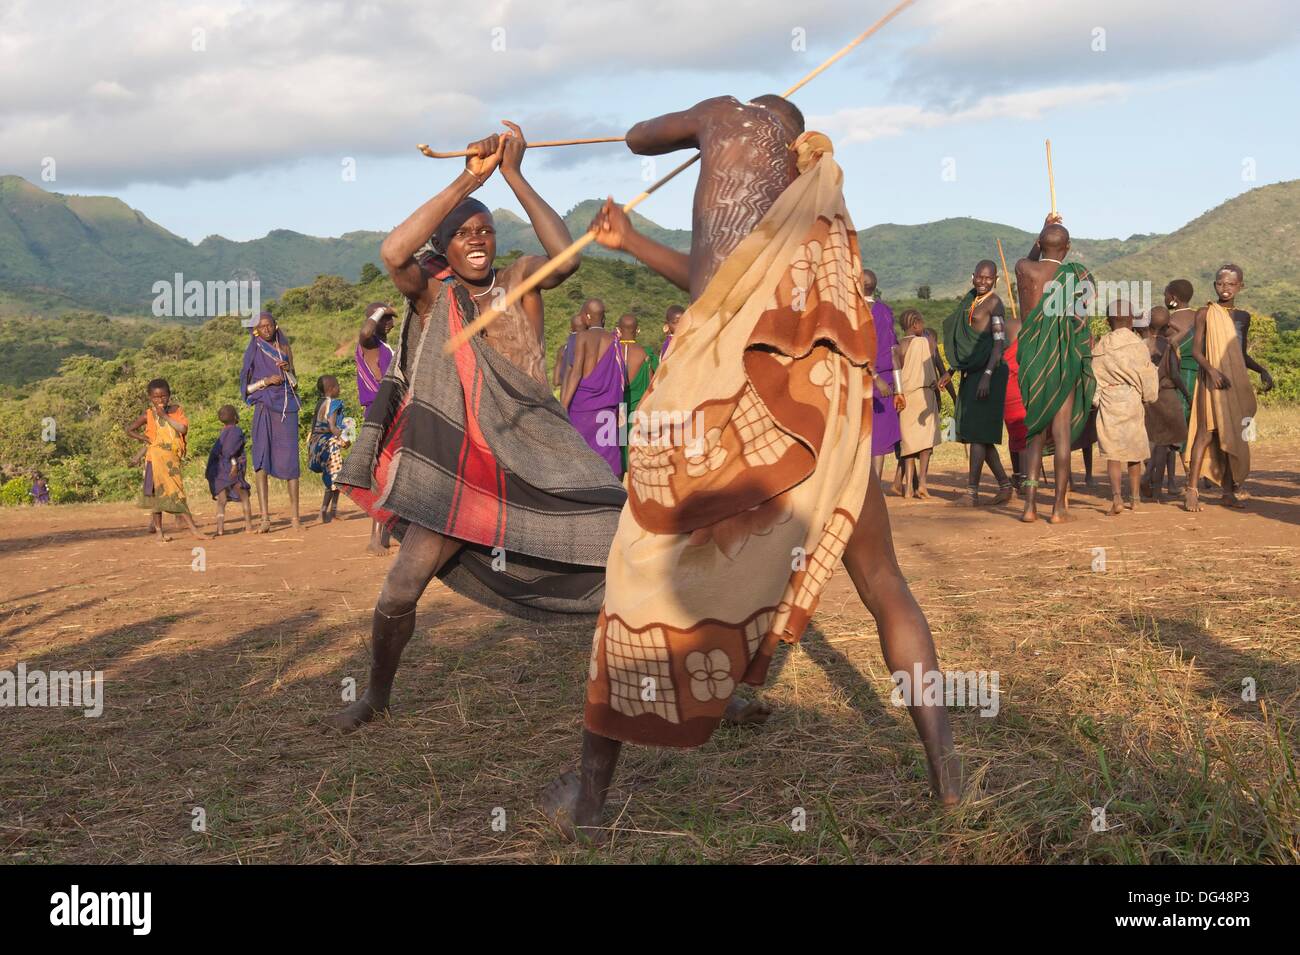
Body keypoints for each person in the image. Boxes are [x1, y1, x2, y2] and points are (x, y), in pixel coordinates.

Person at [541, 95, 960, 841]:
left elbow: (640, 137)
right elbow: (716, 287)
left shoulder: (728, 119)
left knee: (634, 579)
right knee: (884, 582)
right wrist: (631, 241)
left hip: (729, 412)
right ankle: (948, 775)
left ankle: (591, 799)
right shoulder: (806, 217)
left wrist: (694, 140)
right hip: (819, 424)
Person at [325, 121, 625, 734]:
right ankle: (377, 696)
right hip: (465, 470)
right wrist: (470, 176)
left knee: (630, 556)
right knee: (401, 589)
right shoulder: (432, 296)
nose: (478, 241)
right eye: (463, 234)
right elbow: (392, 253)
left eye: (485, 229)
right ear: (445, 247)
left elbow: (564, 254)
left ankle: (707, 687)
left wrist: (513, 174)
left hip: (541, 455)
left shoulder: (518, 282)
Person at [1014, 215, 1095, 523]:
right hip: (1064, 358)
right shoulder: (1079, 276)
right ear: (1069, 248)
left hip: (1033, 360)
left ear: (1038, 244)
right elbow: (1081, 323)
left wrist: (1042, 228)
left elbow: (1028, 258)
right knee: (1062, 436)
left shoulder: (1026, 270)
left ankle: (1030, 505)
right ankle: (1059, 507)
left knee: (1035, 432)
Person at [1183, 265, 1270, 511]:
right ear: (1214, 285)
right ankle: (1192, 490)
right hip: (1211, 381)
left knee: (1233, 433)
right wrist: (1212, 371)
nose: (1225, 288)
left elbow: (1241, 355)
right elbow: (1196, 351)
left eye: (1231, 284)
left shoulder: (1243, 318)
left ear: (1241, 286)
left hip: (1236, 382)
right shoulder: (1205, 313)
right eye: (1221, 283)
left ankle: (1228, 492)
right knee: (1205, 432)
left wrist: (1262, 370)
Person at [943, 261, 1012, 506]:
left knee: (977, 434)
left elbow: (998, 344)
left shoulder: (995, 304)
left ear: (996, 280)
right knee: (979, 434)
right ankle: (1005, 485)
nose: (983, 282)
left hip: (989, 373)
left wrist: (987, 375)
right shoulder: (971, 301)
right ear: (973, 277)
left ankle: (971, 492)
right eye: (979, 278)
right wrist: (951, 369)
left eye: (988, 278)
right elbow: (965, 342)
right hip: (972, 372)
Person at [1092, 300, 1159, 515]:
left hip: (1109, 401)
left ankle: (1117, 499)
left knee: (1113, 453)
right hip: (1132, 400)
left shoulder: (1101, 346)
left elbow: (1094, 378)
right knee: (1134, 452)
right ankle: (1136, 499)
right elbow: (1147, 375)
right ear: (1132, 320)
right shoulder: (1139, 346)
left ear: (1107, 321)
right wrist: (1148, 397)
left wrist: (1097, 399)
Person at [125, 378, 207, 543]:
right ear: (150, 398)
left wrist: (165, 416)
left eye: (163, 396)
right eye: (156, 397)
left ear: (169, 395)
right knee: (156, 498)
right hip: (153, 461)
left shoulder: (176, 411)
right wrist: (143, 439)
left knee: (177, 493)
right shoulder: (148, 414)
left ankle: (194, 531)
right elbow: (131, 430)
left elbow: (182, 428)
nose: (160, 400)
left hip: (171, 462)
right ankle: (159, 533)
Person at [241, 312, 301, 532]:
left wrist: (287, 373)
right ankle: (265, 518)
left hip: (286, 408)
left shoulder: (285, 350)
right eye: (262, 326)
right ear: (256, 330)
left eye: (269, 325)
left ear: (276, 326)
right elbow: (245, 389)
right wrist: (265, 381)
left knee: (291, 460)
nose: (266, 329)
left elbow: (295, 384)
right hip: (264, 408)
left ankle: (295, 518)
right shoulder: (253, 351)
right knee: (261, 460)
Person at [561, 308, 626, 478]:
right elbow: (620, 376)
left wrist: (564, 404)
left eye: (582, 314)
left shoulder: (582, 337)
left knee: (580, 447)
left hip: (582, 403)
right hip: (607, 403)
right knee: (607, 450)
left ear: (588, 317)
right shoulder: (614, 340)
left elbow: (576, 373)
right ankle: (611, 486)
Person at [357, 302, 397, 553]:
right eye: (386, 318)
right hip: (378, 410)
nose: (391, 322)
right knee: (381, 472)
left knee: (390, 470)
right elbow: (364, 332)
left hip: (389, 409)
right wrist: (379, 312)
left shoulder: (384, 345)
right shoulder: (369, 343)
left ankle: (383, 534)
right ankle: (375, 536)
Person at [1141, 306, 1191, 503]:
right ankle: (1155, 489)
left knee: (1155, 444)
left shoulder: (1142, 345)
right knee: (1164, 447)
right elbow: (1176, 375)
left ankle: (1148, 479)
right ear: (1167, 325)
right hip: (1168, 396)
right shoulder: (1169, 345)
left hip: (1148, 398)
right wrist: (1186, 394)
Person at [896, 309, 942, 499]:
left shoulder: (898, 345)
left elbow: (896, 371)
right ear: (916, 325)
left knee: (908, 445)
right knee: (925, 444)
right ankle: (922, 483)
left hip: (905, 399)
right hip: (924, 394)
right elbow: (930, 367)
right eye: (922, 324)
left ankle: (907, 489)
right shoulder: (923, 342)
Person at [863, 269, 903, 477]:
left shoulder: (854, 311)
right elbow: (894, 350)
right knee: (877, 437)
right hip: (884, 380)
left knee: (869, 436)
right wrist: (900, 389)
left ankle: (872, 485)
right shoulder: (885, 311)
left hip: (866, 380)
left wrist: (876, 379)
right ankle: (873, 483)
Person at [617, 313, 657, 473]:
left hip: (615, 408)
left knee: (617, 442)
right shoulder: (647, 354)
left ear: (618, 330)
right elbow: (656, 380)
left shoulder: (610, 352)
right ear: (638, 331)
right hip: (638, 409)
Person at [205, 404, 253, 535]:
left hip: (219, 471)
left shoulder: (223, 433)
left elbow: (220, 451)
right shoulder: (236, 431)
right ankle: (248, 526)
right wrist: (234, 465)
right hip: (231, 470)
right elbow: (229, 451)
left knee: (221, 501)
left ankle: (220, 530)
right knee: (244, 497)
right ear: (235, 417)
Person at [308, 375, 349, 524]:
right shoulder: (334, 403)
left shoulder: (320, 403)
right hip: (328, 445)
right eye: (337, 385)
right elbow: (332, 427)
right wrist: (344, 438)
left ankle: (332, 512)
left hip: (316, 444)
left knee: (335, 477)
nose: (339, 388)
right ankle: (323, 513)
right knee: (334, 477)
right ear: (332, 389)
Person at [553, 313, 587, 390]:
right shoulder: (592, 348)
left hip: (566, 396)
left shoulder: (562, 350)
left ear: (571, 329)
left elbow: (556, 381)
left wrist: (567, 381)